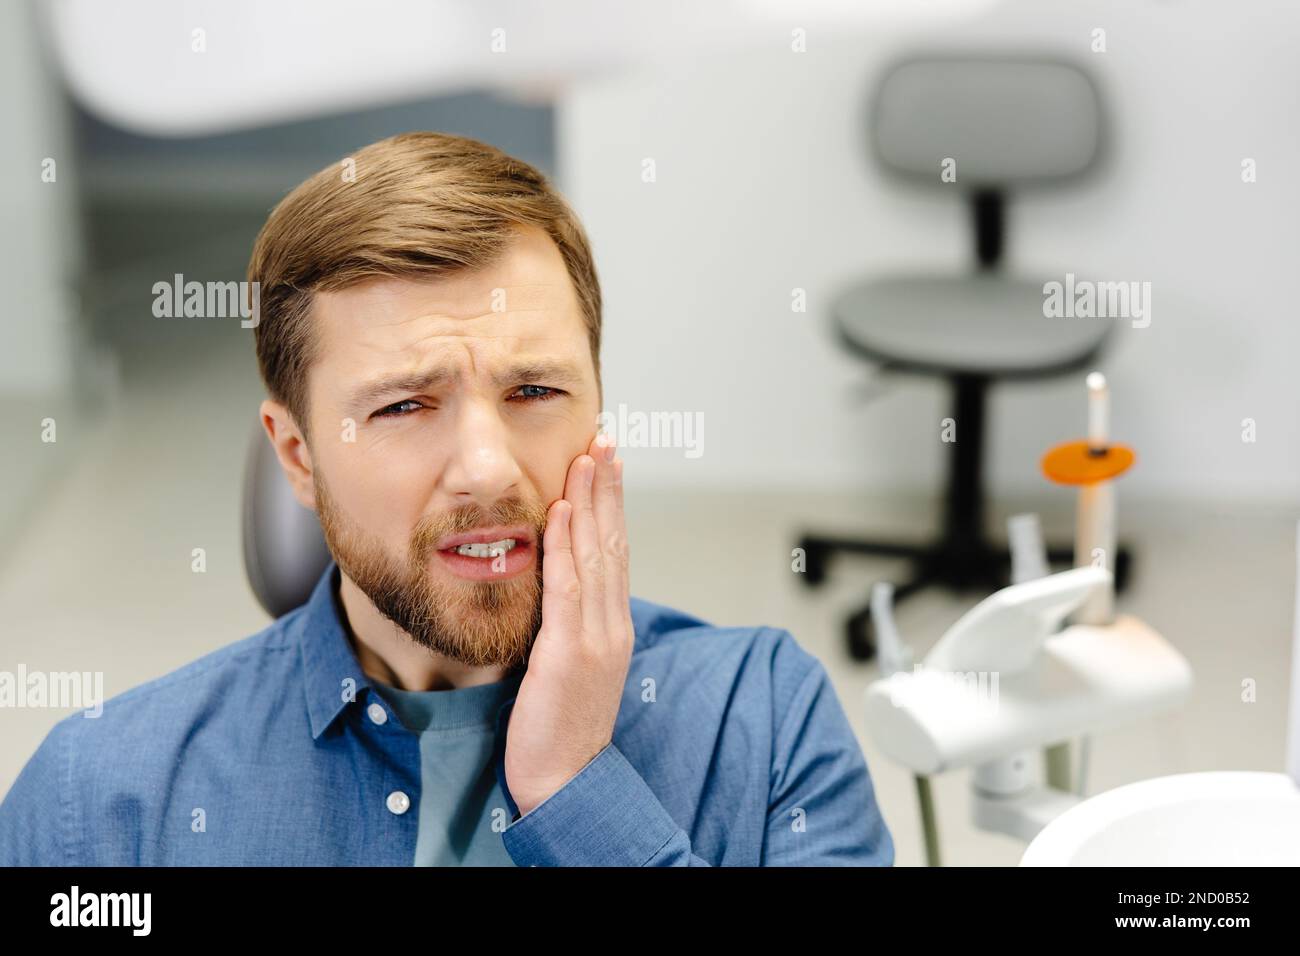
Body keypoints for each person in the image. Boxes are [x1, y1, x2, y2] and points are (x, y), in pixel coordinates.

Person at [0, 132, 893, 866]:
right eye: (403, 406)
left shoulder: (767, 722)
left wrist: (582, 795)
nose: (488, 469)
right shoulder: (102, 805)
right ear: (298, 456)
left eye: (536, 392)